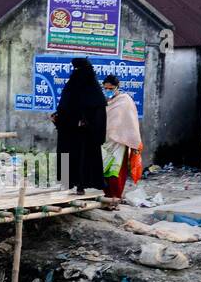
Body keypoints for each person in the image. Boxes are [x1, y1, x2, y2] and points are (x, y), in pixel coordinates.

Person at [52, 56, 106, 195]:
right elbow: (64, 107)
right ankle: (69, 183)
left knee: (82, 158)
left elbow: (99, 114)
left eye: (79, 69)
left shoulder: (88, 89)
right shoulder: (76, 87)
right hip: (71, 131)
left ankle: (80, 185)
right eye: (76, 69)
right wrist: (58, 117)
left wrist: (86, 121)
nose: (77, 72)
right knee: (70, 156)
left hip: (85, 133)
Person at [101, 75, 141, 209]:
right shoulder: (103, 101)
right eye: (105, 88)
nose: (108, 91)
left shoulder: (125, 101)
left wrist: (134, 142)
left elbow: (132, 123)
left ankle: (116, 198)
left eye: (110, 88)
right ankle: (107, 198)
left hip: (119, 143)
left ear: (117, 87)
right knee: (103, 172)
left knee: (115, 172)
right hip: (104, 142)